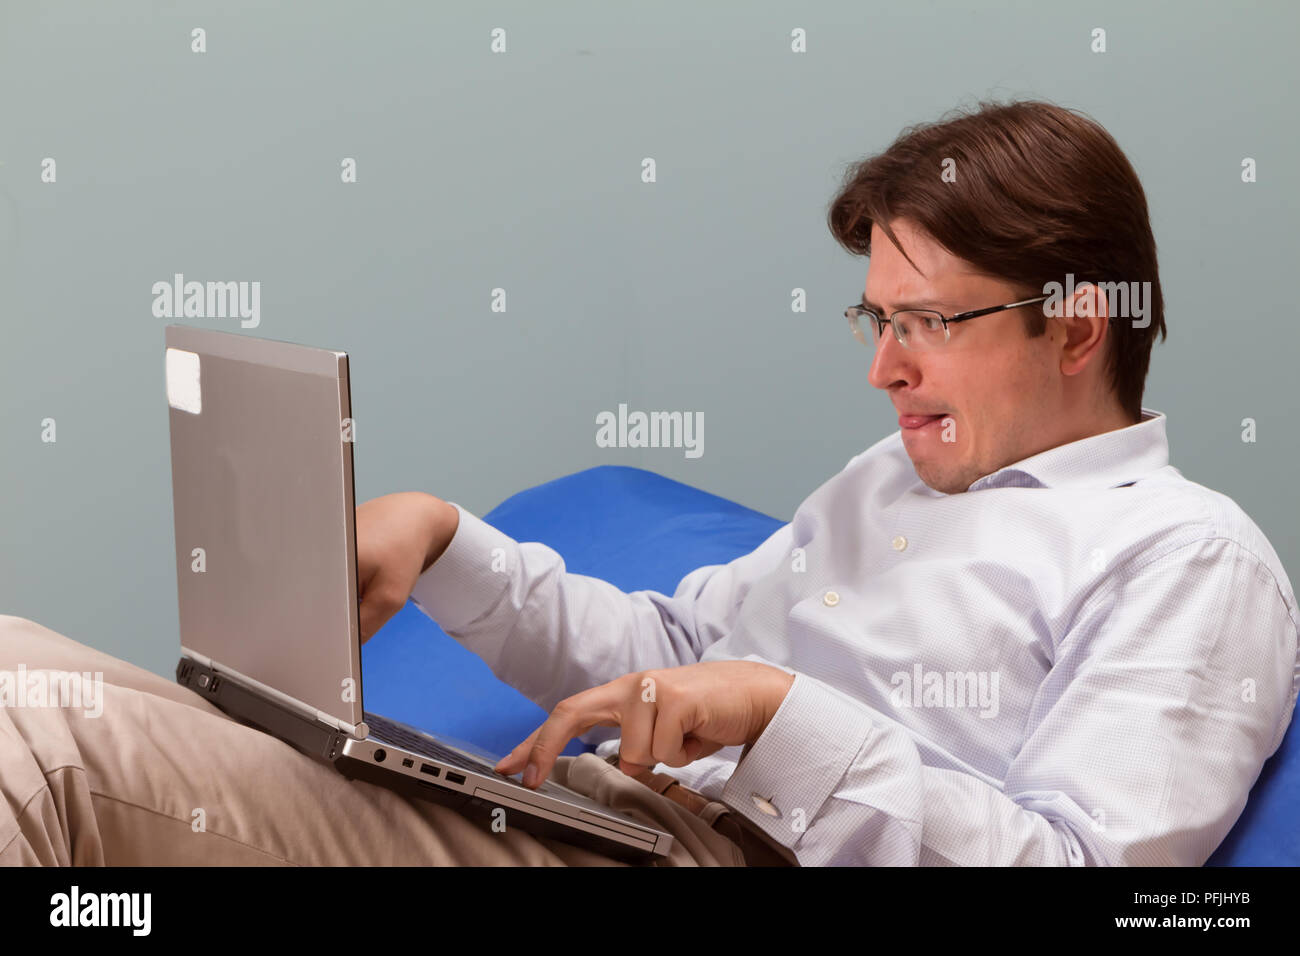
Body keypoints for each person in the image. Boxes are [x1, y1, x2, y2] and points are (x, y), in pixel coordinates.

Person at [2, 99, 1295, 866]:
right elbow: (676, 653)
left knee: (41, 753)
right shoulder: (892, 485)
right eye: (875, 322)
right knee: (11, 664)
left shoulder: (1187, 558)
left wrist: (784, 717)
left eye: (927, 325)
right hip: (587, 816)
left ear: (1076, 328)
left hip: (692, 858)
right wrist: (448, 545)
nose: (884, 371)